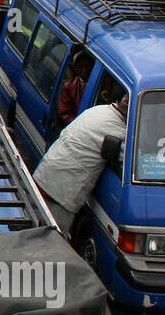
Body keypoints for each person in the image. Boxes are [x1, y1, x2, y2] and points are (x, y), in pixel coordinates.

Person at [31, 94, 129, 236]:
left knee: (36, 232)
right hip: (61, 191)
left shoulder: (98, 110)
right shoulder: (119, 130)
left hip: (47, 171)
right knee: (51, 240)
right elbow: (131, 160)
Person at [58, 50, 95, 128]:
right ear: (76, 69)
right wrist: (78, 125)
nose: (85, 70)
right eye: (81, 67)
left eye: (87, 66)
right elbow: (65, 113)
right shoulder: (69, 87)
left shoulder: (102, 83)